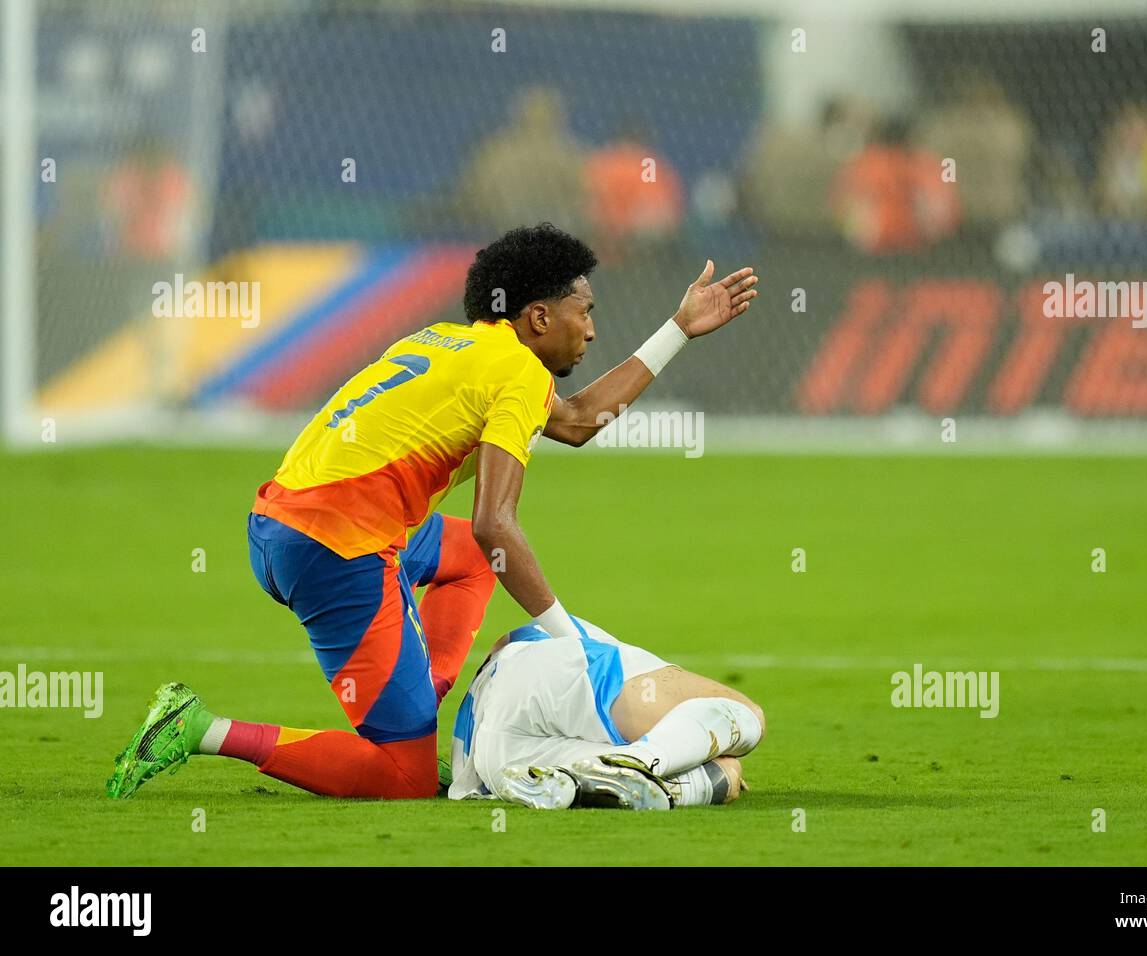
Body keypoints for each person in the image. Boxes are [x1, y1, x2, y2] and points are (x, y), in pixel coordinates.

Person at [106, 223, 758, 801]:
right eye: (583, 311)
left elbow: (580, 421)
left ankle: (415, 698)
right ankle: (199, 728)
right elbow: (495, 523)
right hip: (338, 549)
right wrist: (571, 640)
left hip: (277, 526)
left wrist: (678, 328)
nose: (592, 327)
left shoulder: (447, 341)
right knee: (405, 780)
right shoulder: (519, 374)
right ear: (537, 317)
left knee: (468, 563)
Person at [448, 617, 764, 810]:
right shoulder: (570, 641)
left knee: (720, 774)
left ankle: (604, 781)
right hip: (541, 677)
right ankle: (637, 762)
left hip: (495, 764)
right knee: (746, 714)